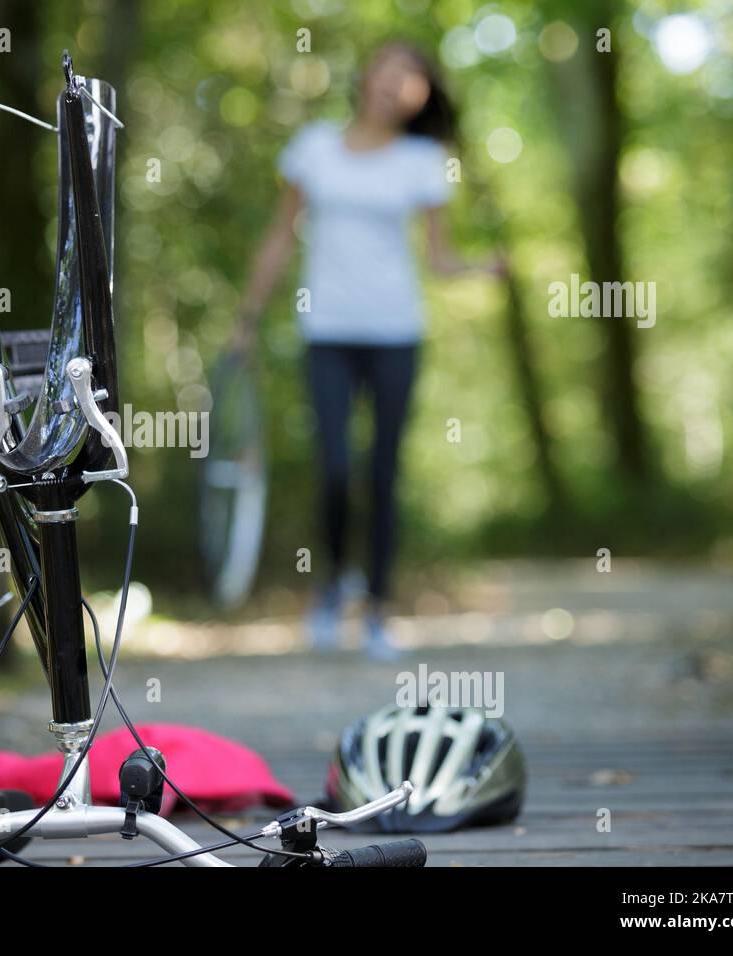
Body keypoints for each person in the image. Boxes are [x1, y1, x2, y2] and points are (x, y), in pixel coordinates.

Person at [235, 41, 503, 658]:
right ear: (367, 75)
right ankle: (332, 587)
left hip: (396, 332)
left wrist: (482, 268)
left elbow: (438, 257)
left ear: (423, 97)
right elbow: (279, 237)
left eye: (414, 77)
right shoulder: (314, 148)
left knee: (384, 472)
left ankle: (379, 609)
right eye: (391, 68)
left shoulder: (423, 160)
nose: (398, 83)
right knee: (335, 466)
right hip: (325, 329)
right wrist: (246, 319)